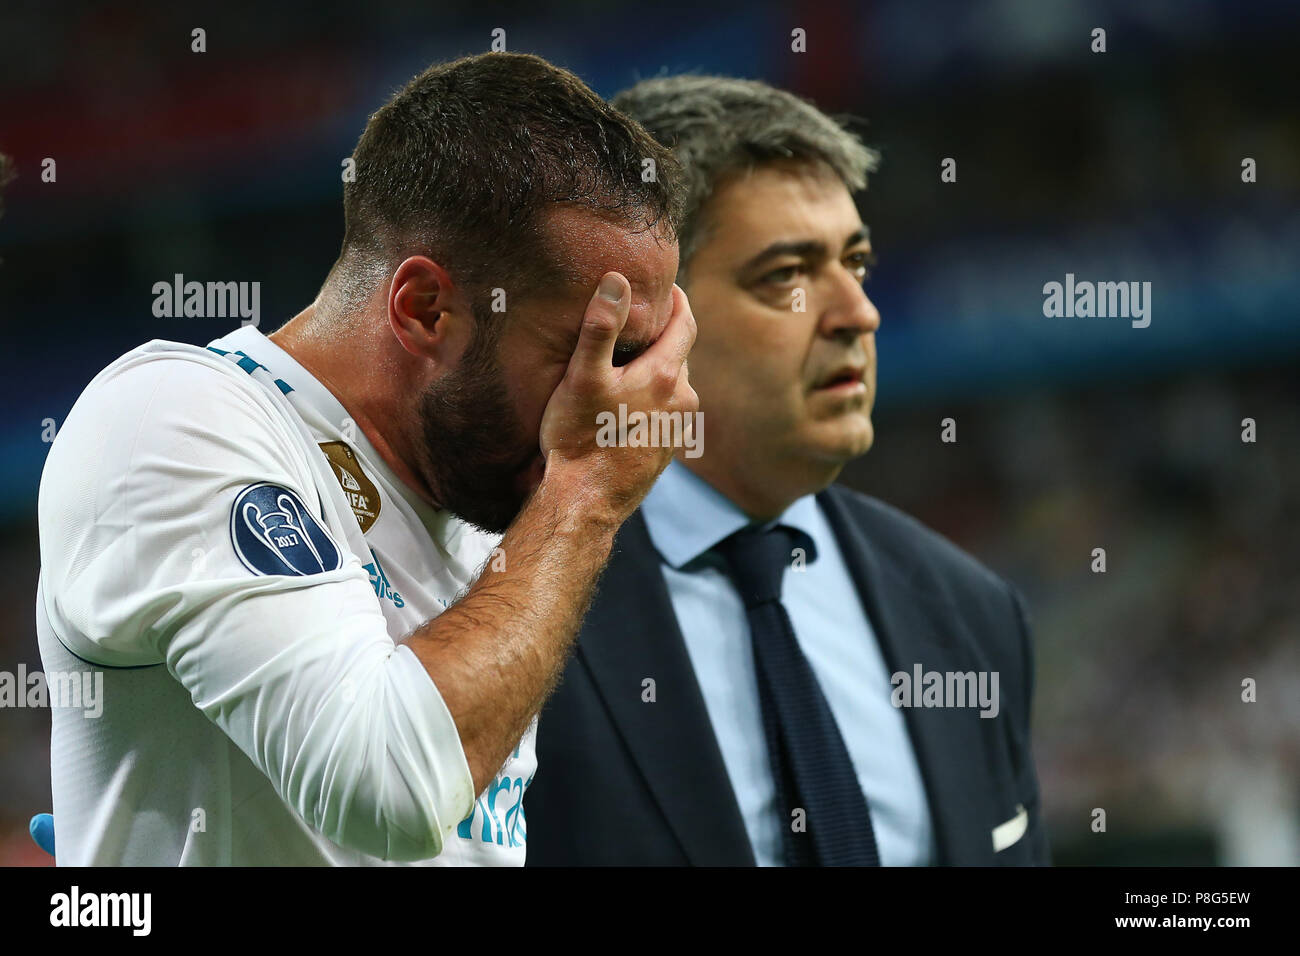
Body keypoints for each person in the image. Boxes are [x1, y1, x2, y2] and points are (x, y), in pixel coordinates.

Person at [33, 52, 696, 865]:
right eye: (589, 352)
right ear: (425, 310)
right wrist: (586, 492)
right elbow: (388, 790)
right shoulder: (177, 420)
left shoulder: (493, 509)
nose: (614, 401)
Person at [524, 75, 1050, 866]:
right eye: (787, 275)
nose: (858, 312)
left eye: (858, 261)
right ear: (643, 316)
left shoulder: (971, 615)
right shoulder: (505, 605)